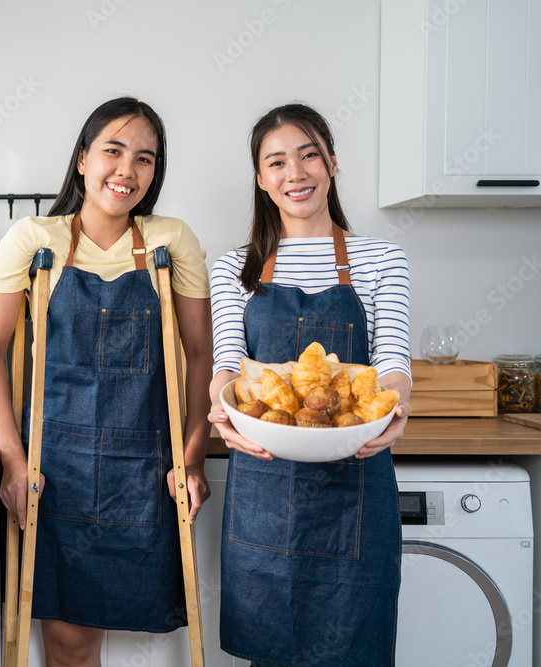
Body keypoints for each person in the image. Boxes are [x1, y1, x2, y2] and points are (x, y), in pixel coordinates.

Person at [0, 96, 212, 667]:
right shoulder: (33, 240)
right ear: (82, 159)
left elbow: (201, 355)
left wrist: (194, 458)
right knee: (70, 644)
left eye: (145, 158)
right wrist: (11, 458)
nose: (127, 170)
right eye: (113, 150)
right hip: (56, 469)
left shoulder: (171, 241)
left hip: (145, 469)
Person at [207, 103, 412, 667]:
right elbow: (228, 368)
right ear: (260, 178)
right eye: (276, 162)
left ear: (332, 164)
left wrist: (397, 410)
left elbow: (393, 367)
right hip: (264, 485)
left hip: (358, 484)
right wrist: (221, 411)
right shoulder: (234, 268)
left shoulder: (380, 259)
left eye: (308, 155)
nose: (294, 173)